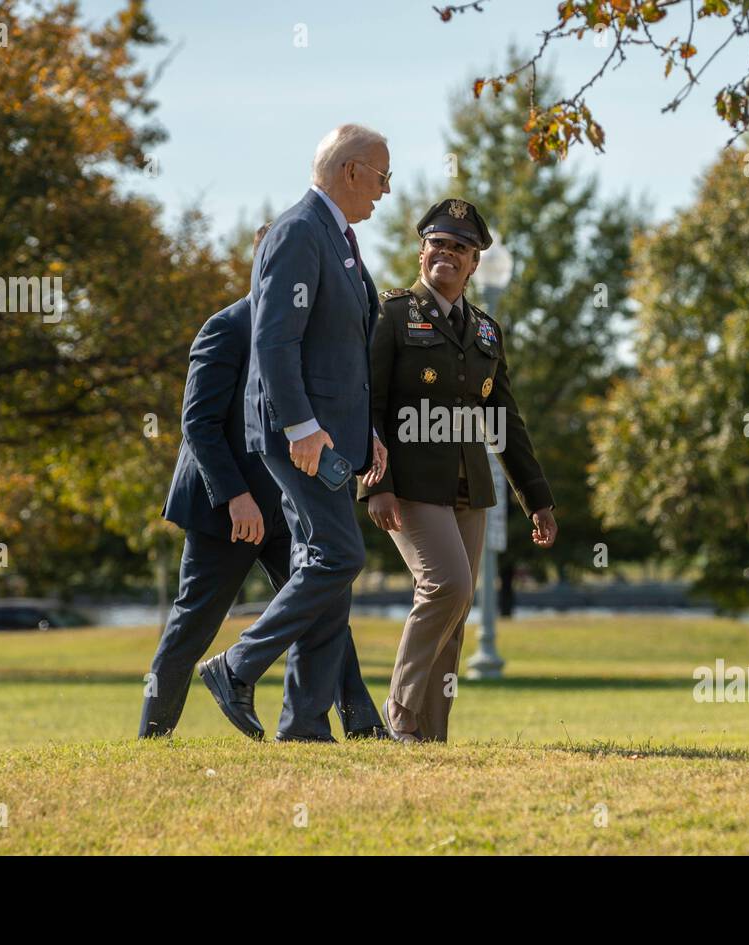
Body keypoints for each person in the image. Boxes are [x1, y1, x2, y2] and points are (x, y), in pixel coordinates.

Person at [139, 225, 387, 741]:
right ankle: (153, 736)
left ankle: (361, 725)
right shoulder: (226, 328)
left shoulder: (307, 332)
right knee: (193, 624)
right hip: (224, 509)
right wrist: (236, 498)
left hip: (290, 501)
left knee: (324, 607)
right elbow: (199, 426)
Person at [197, 124, 392, 742]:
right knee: (341, 556)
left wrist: (369, 434)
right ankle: (236, 666)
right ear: (352, 170)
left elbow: (344, 348)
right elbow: (273, 339)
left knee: (322, 569)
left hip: (334, 436)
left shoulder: (338, 238)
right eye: (382, 177)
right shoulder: (298, 231)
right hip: (301, 436)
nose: (386, 192)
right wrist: (302, 427)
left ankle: (304, 725)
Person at [359, 198, 558, 742]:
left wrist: (537, 498)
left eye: (460, 248)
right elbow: (368, 405)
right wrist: (376, 484)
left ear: (474, 264)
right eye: (438, 244)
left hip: (471, 487)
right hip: (411, 484)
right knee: (445, 586)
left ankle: (430, 735)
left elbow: (506, 422)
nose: (447, 253)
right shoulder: (392, 315)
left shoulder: (487, 332)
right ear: (422, 251)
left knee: (457, 606)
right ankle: (398, 714)